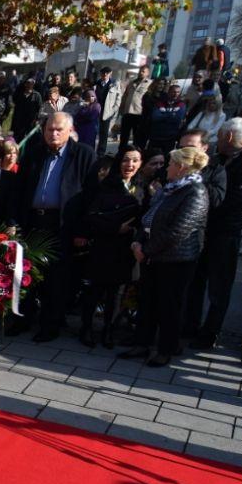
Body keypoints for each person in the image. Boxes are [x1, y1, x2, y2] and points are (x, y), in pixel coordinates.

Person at [121, 146, 210, 366]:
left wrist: (146, 250)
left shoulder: (195, 191)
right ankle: (142, 343)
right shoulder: (170, 188)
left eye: (170, 164)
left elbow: (179, 230)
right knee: (147, 301)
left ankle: (166, 349)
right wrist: (139, 242)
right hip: (152, 256)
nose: (167, 167)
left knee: (169, 306)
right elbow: (149, 217)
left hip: (176, 259)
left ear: (181, 167)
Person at [184, 117, 242, 348]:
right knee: (196, 280)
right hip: (206, 228)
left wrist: (206, 198)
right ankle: (189, 326)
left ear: (228, 137)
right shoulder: (222, 158)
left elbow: (232, 197)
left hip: (227, 231)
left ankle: (210, 332)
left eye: (218, 136)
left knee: (218, 286)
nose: (215, 141)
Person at [14, 111, 98, 340]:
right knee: (27, 273)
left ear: (70, 131)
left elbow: (90, 196)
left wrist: (82, 230)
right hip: (33, 221)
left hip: (62, 224)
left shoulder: (83, 155)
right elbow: (21, 190)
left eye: (59, 129)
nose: (53, 133)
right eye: (49, 129)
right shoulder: (33, 153)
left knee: (56, 278)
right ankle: (23, 318)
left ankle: (49, 325)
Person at [75, 146, 144, 348]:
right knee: (94, 290)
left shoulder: (142, 187)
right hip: (103, 246)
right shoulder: (106, 186)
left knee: (117, 293)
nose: (129, 165)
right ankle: (86, 328)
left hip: (126, 250)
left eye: (135, 160)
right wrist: (115, 227)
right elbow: (91, 217)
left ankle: (108, 330)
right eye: (125, 160)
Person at [147, 84, 187, 157]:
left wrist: (164, 114)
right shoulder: (160, 103)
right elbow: (155, 117)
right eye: (173, 92)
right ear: (169, 92)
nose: (175, 94)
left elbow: (178, 119)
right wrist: (171, 114)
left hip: (170, 138)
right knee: (151, 157)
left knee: (166, 159)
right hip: (156, 136)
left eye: (178, 92)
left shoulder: (181, 105)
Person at [118, 66, 152, 150]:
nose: (141, 73)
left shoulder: (150, 84)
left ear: (148, 73)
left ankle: (135, 154)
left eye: (144, 71)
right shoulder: (131, 83)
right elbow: (125, 96)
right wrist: (121, 108)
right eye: (140, 71)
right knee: (124, 136)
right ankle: (121, 154)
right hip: (128, 112)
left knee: (137, 138)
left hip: (139, 113)